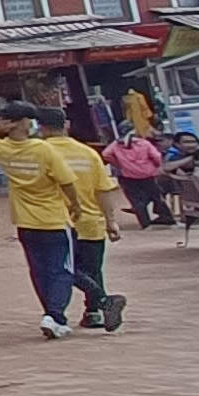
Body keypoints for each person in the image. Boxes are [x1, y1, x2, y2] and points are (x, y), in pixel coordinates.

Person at [0, 108, 82, 339]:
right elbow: (66, 181)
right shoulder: (43, 149)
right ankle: (55, 315)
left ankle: (50, 314)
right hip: (53, 219)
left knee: (39, 272)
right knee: (61, 271)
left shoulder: (2, 149)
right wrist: (76, 205)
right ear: (21, 122)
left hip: (25, 222)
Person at [46, 119, 126, 331]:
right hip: (91, 220)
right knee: (93, 269)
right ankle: (94, 311)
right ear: (66, 124)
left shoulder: (41, 153)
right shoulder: (88, 153)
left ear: (40, 127)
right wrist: (111, 221)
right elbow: (103, 190)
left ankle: (61, 312)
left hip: (56, 221)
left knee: (59, 267)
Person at [101, 123, 170, 227]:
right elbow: (156, 156)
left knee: (137, 201)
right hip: (148, 175)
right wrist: (156, 166)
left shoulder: (116, 145)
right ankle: (165, 217)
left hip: (128, 176)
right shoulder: (144, 143)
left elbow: (106, 154)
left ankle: (145, 223)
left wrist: (117, 163)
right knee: (156, 196)